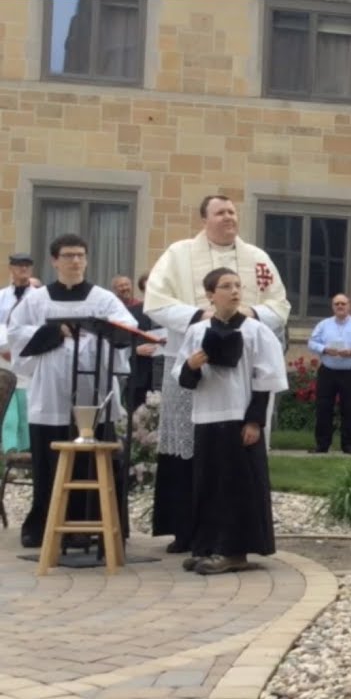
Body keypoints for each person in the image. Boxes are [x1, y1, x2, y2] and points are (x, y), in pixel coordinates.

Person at [144, 195, 291, 554]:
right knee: (190, 449)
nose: (229, 217)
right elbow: (156, 301)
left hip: (244, 370)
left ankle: (238, 532)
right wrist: (199, 317)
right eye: (221, 212)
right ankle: (186, 529)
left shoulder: (257, 259)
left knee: (238, 449)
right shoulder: (179, 254)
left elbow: (280, 304)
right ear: (203, 218)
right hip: (194, 357)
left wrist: (253, 314)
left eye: (232, 212)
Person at [7, 235, 136, 549]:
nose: (75, 261)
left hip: (93, 389)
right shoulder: (37, 300)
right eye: (68, 256)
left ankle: (96, 523)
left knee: (93, 461)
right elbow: (15, 332)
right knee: (50, 462)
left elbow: (127, 328)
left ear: (87, 260)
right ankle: (46, 524)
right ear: (54, 261)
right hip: (51, 390)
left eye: (80, 255)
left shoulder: (103, 298)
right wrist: (54, 331)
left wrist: (94, 328)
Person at [175, 268, 288, 576]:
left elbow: (267, 380)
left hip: (239, 417)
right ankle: (208, 545)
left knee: (236, 486)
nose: (235, 291)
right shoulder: (197, 332)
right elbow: (183, 378)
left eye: (238, 286)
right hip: (207, 416)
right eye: (226, 286)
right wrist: (192, 366)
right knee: (208, 484)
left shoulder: (255, 331)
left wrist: (254, 422)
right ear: (211, 295)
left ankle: (234, 551)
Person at [306, 293, 351, 455]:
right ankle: (322, 445)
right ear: (332, 306)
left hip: (349, 373)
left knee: (349, 409)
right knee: (323, 409)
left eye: (343, 304)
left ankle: (349, 445)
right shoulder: (323, 325)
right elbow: (311, 342)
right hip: (327, 373)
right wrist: (324, 349)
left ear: (349, 306)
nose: (340, 306)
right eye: (336, 304)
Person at [0, 252, 39, 453]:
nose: (22, 269)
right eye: (18, 266)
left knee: (26, 407)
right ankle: (8, 449)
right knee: (8, 407)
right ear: (11, 269)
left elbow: (41, 326)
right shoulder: (1, 296)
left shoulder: (40, 297)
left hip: (29, 357)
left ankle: (25, 449)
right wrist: (4, 348)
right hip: (4, 358)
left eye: (26, 266)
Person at [123, 272, 160, 413]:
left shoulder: (173, 313)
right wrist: (136, 350)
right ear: (143, 291)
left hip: (164, 376)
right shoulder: (130, 312)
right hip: (139, 376)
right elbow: (119, 341)